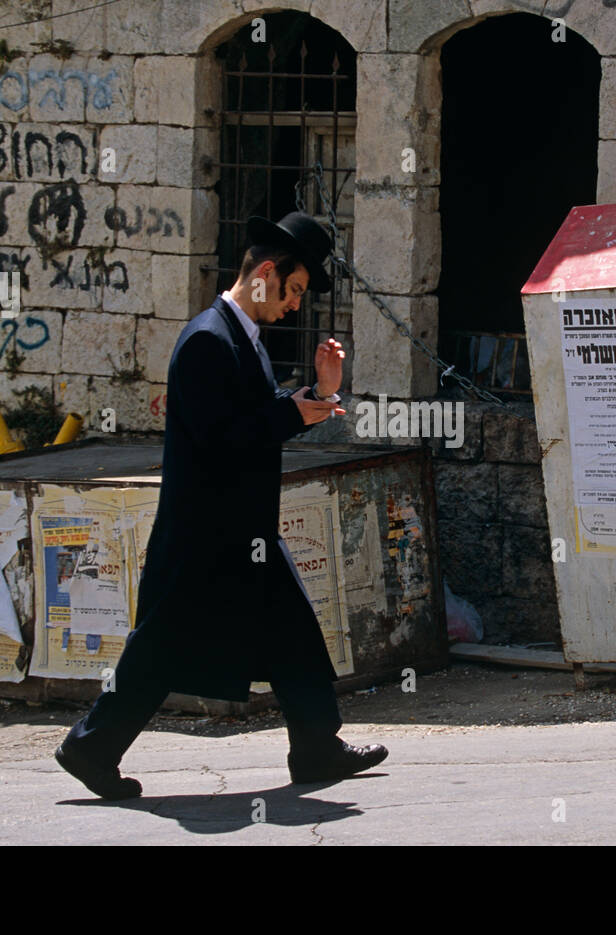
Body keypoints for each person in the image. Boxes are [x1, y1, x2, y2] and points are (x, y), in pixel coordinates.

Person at [55, 211, 387, 799]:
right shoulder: (209, 339)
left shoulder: (240, 337)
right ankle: (91, 744)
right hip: (206, 535)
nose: (295, 307)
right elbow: (221, 438)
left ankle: (315, 747)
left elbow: (251, 420)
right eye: (294, 291)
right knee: (160, 648)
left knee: (293, 633)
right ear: (265, 273)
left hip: (240, 529)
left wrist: (316, 395)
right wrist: (292, 411)